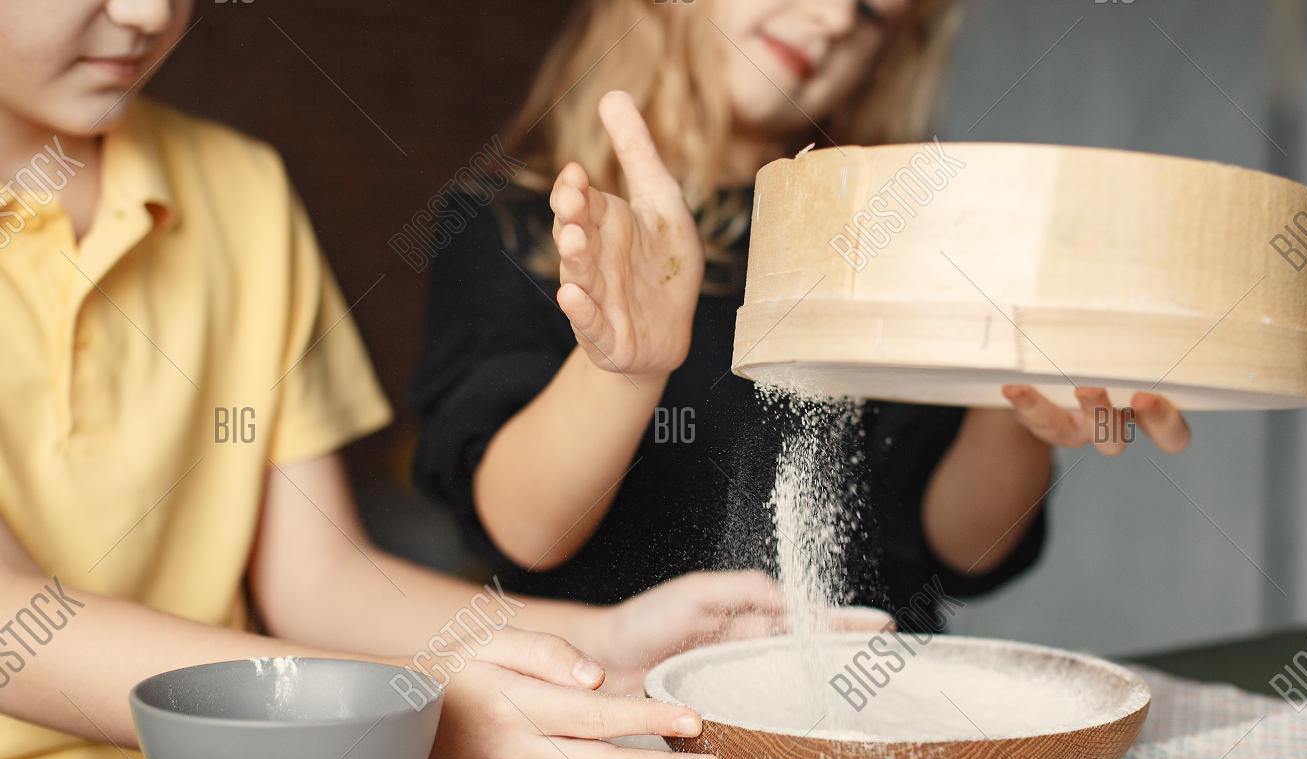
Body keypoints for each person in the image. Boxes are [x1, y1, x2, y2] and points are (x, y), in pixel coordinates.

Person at [0, 0, 821, 759]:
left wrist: (598, 644)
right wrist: (412, 713)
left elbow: (319, 581)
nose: (148, 14)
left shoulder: (239, 188)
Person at [408, 0, 1191, 622]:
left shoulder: (898, 243)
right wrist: (624, 370)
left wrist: (1013, 410)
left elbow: (962, 550)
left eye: (874, 14)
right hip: (625, 734)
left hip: (864, 730)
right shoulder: (510, 226)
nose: (835, 19)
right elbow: (521, 529)